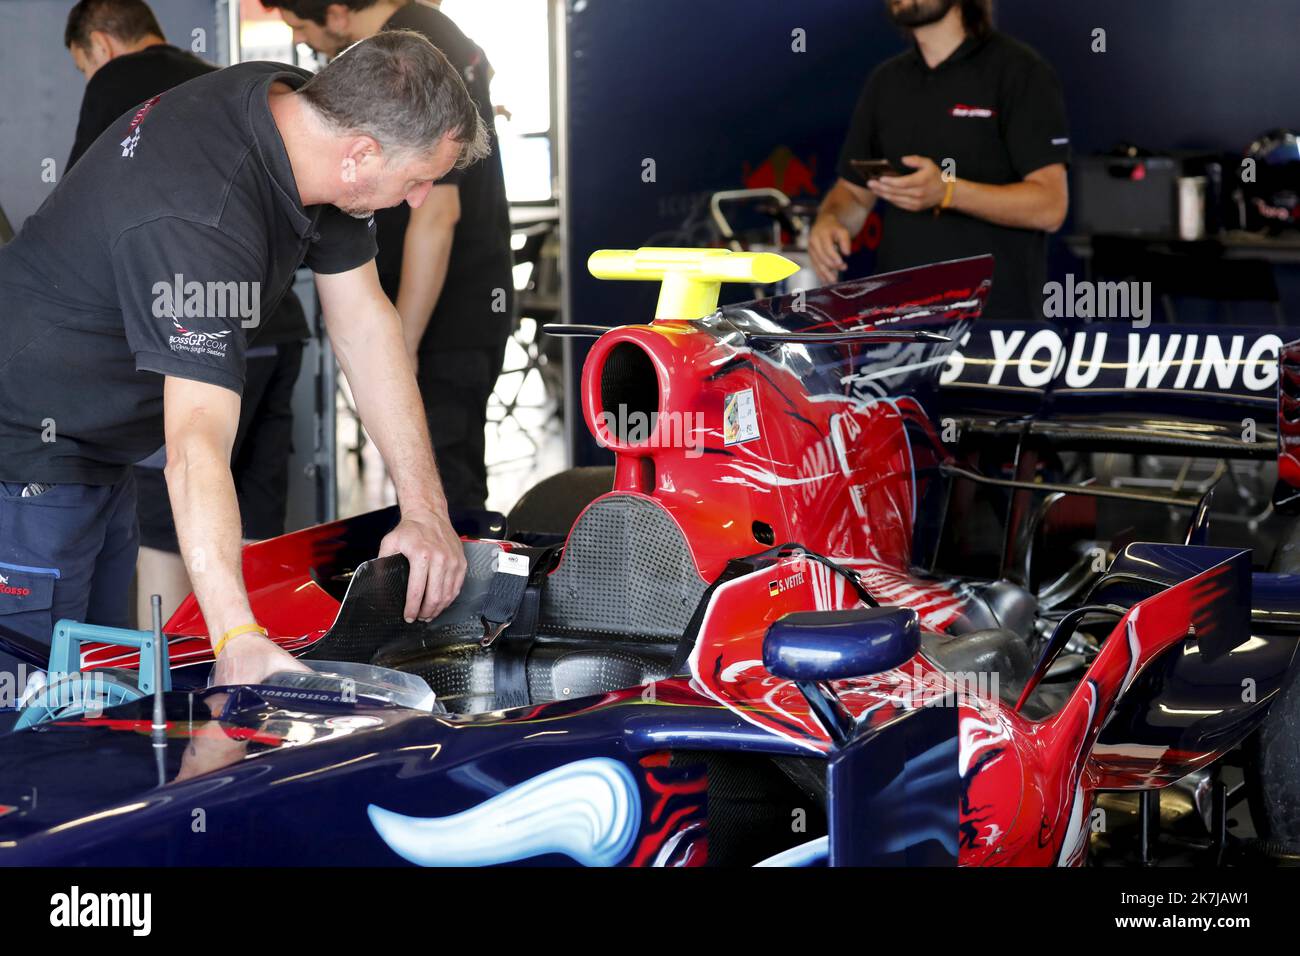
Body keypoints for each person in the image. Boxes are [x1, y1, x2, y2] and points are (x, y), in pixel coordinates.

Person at [0, 31, 481, 685]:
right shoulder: (203, 217)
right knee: (31, 713)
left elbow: (366, 324)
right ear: (361, 155)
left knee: (92, 688)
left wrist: (425, 512)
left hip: (98, 448)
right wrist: (237, 635)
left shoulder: (302, 111)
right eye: (418, 178)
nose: (422, 197)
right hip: (28, 451)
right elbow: (196, 443)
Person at [63, 0, 312, 627]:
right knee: (254, 528)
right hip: (276, 332)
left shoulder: (117, 82)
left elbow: (82, 208)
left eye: (84, 65)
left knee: (168, 533)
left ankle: (172, 710)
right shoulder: (219, 81)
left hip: (192, 329)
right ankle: (258, 691)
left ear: (99, 45)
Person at [264, 0, 515, 513]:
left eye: (299, 26)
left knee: (447, 492)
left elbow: (436, 213)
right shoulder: (431, 35)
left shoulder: (416, 59)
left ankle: (465, 592)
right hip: (460, 308)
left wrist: (402, 343)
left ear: (335, 13)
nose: (307, 44)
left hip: (446, 317)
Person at [809, 0, 1070, 320]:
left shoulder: (1020, 72)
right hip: (898, 326)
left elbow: (1050, 205)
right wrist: (831, 220)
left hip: (995, 329)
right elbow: (853, 193)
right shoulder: (887, 81)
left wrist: (948, 191)